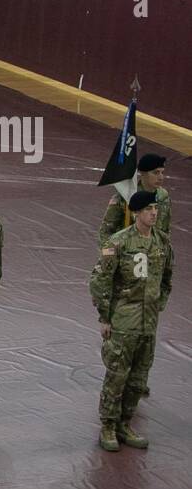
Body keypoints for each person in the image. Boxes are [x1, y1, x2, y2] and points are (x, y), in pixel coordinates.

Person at [89, 189, 173, 452]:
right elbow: (99, 280)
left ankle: (126, 423)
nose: (154, 213)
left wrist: (159, 304)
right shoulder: (119, 242)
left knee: (138, 377)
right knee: (117, 375)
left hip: (149, 322)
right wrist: (105, 316)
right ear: (136, 212)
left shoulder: (162, 242)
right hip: (124, 320)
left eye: (155, 208)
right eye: (148, 209)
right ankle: (108, 426)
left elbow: (168, 278)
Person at [96, 154, 172, 246]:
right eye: (155, 173)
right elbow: (106, 231)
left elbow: (165, 230)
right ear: (143, 173)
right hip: (129, 253)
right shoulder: (126, 196)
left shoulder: (163, 196)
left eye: (162, 172)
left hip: (154, 254)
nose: (161, 177)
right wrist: (110, 255)